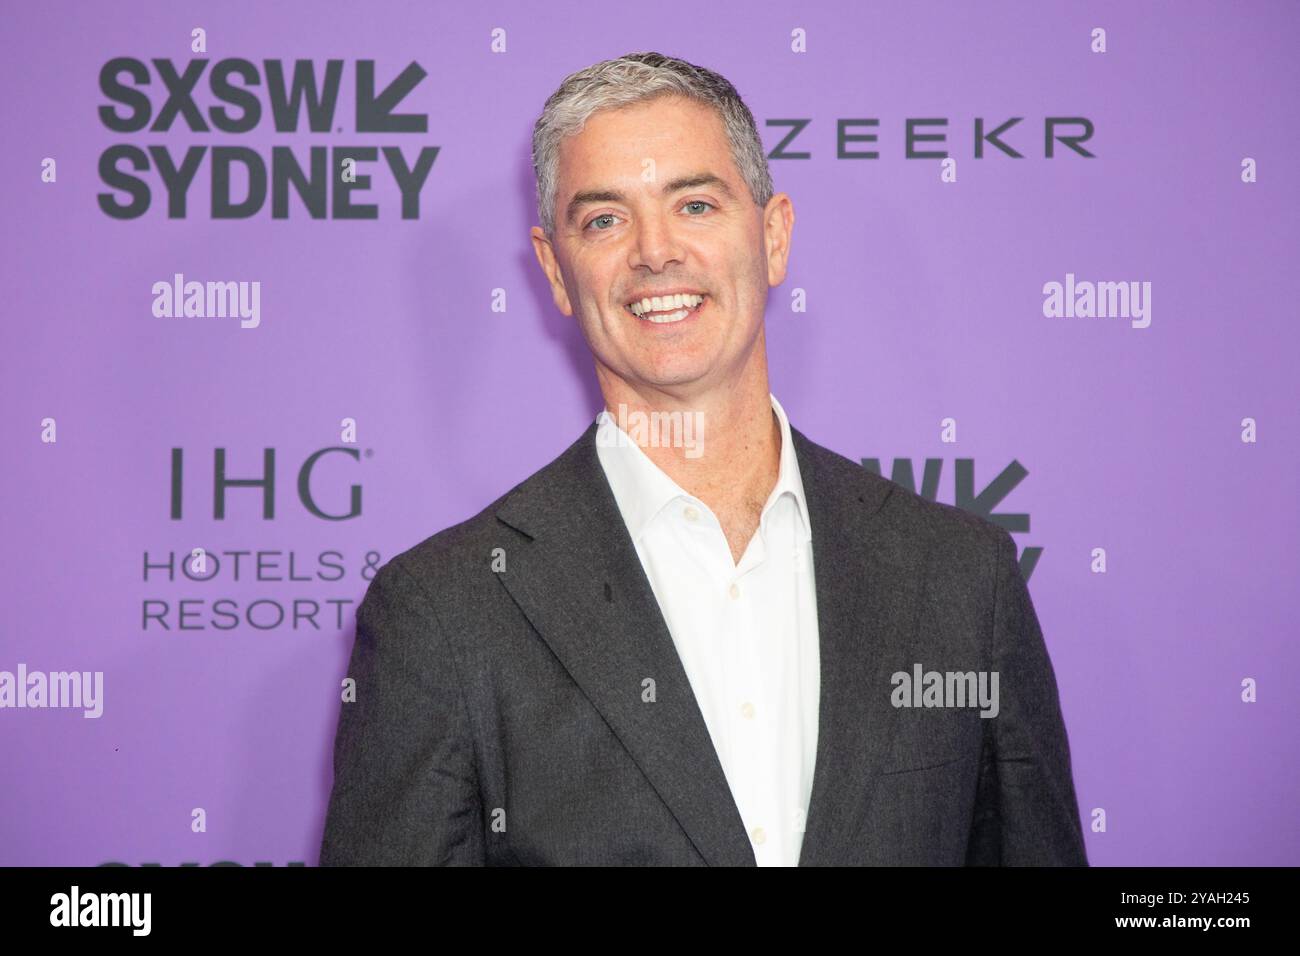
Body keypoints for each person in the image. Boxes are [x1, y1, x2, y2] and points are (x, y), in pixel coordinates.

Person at [319, 51, 1087, 866]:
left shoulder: (961, 579)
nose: (655, 252)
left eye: (694, 203)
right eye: (605, 219)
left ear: (774, 235)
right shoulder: (445, 613)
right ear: (555, 271)